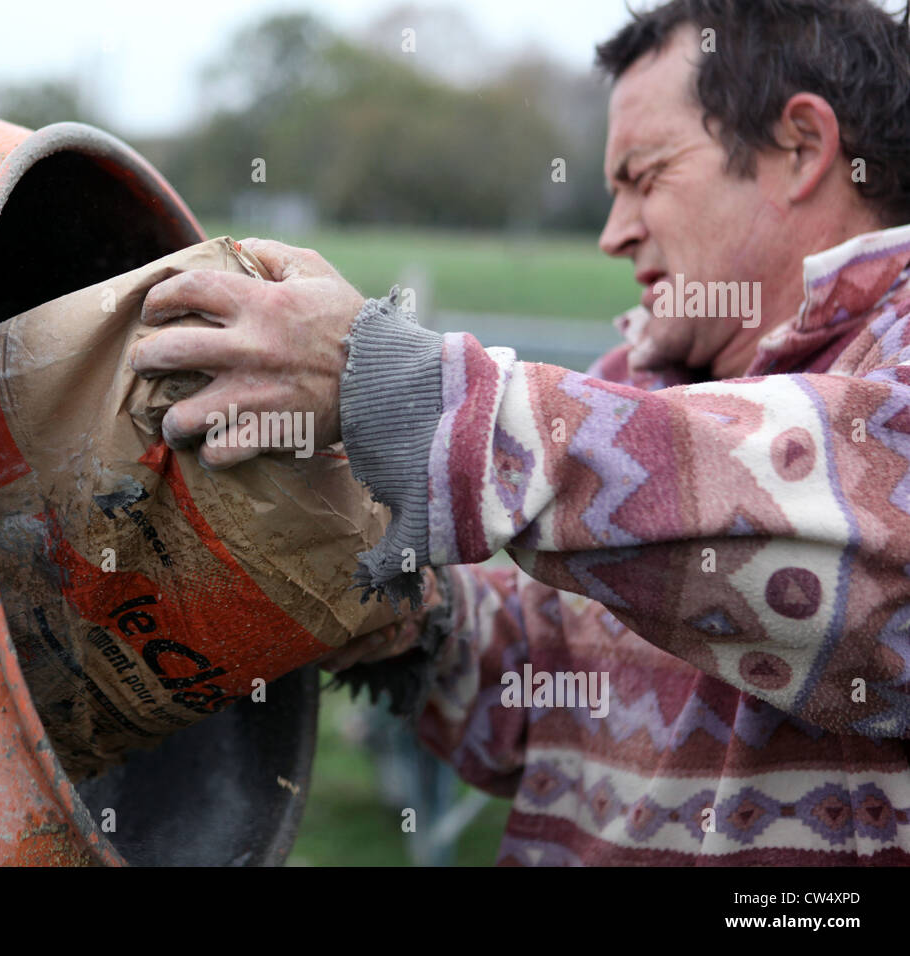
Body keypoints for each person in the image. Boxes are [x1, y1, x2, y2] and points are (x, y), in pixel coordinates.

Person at [129, 0, 910, 864]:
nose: (614, 233)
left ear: (802, 146)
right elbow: (538, 700)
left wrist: (396, 384)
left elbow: (861, 539)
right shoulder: (645, 385)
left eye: (644, 177)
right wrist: (389, 612)